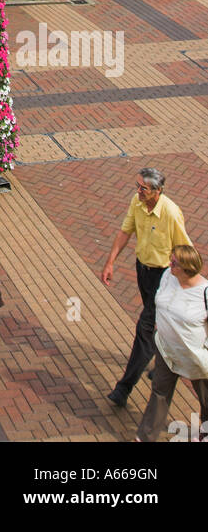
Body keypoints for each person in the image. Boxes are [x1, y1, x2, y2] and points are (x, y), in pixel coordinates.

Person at [102, 166, 191, 407]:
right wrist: (110, 262)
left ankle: (123, 388)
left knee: (145, 330)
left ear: (157, 191)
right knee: (157, 325)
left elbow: (186, 251)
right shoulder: (137, 202)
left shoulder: (171, 213)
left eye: (144, 188)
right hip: (143, 271)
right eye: (137, 186)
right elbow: (125, 231)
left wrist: (183, 284)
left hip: (164, 277)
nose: (138, 191)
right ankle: (167, 359)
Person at [135, 244, 208, 442]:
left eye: (174, 262)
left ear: (187, 268)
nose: (169, 264)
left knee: (206, 398)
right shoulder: (169, 275)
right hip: (166, 350)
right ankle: (144, 437)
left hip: (195, 356)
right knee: (159, 393)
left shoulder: (204, 293)